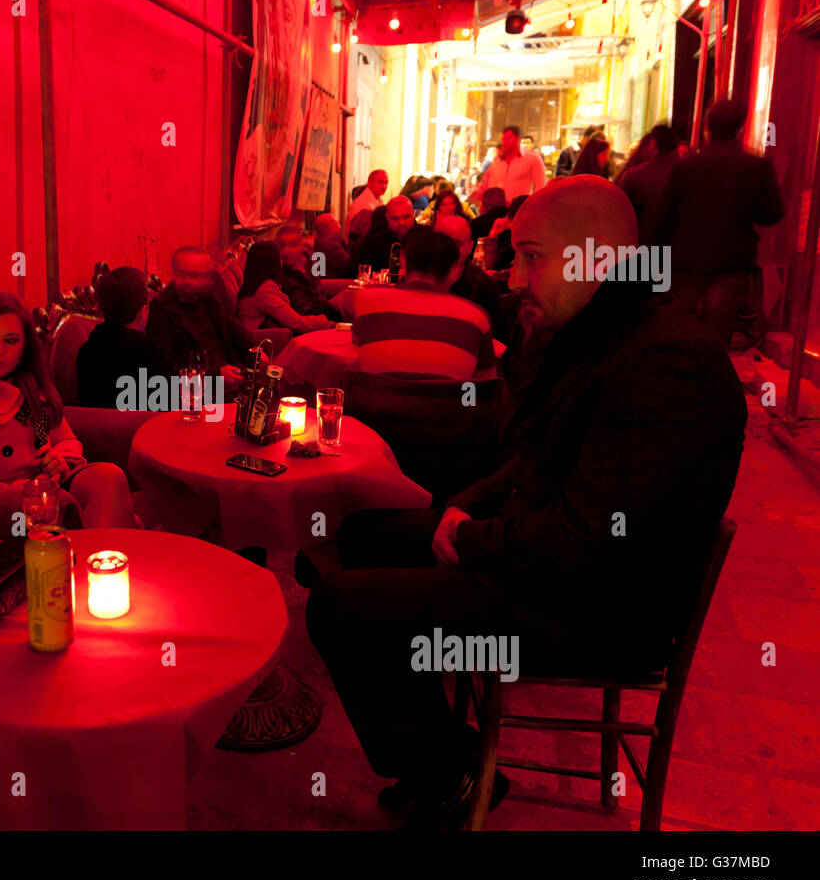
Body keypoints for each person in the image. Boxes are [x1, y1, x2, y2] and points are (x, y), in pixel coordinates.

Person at [307, 175, 747, 829]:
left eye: (532, 257)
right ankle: (439, 748)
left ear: (596, 257)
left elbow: (591, 540)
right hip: (553, 561)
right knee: (359, 536)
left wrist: (471, 540)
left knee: (339, 608)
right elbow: (532, 460)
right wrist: (463, 509)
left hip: (599, 609)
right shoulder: (601, 335)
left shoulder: (668, 364)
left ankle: (449, 772)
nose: (513, 279)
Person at [0, 292, 139, 531]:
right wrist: (21, 491)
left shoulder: (27, 386)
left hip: (49, 487)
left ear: (23, 350)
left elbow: (64, 439)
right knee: (115, 518)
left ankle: (104, 554)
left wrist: (58, 459)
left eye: (10, 341)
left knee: (108, 477)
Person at [653, 99, 785, 346]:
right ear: (740, 128)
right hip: (731, 262)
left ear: (707, 128)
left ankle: (679, 379)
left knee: (680, 333)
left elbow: (665, 217)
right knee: (716, 338)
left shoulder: (685, 168)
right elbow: (772, 213)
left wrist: (652, 258)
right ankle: (709, 381)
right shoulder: (757, 167)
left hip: (686, 263)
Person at [351, 229, 496, 382]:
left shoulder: (365, 301)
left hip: (373, 404)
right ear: (455, 269)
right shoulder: (476, 317)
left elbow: (357, 345)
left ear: (404, 261)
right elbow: (486, 384)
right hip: (449, 405)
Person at [146, 246, 250, 387]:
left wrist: (256, 350)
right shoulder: (162, 310)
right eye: (198, 276)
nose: (205, 280)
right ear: (179, 276)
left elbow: (236, 330)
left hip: (233, 376)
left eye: (206, 275)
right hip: (200, 390)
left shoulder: (211, 298)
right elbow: (167, 370)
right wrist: (216, 376)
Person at [76, 266, 172, 408]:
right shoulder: (146, 351)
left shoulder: (87, 350)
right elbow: (166, 404)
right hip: (140, 428)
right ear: (144, 311)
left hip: (96, 429)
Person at [435, 214, 510, 345]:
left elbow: (494, 342)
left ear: (470, 247)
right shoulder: (418, 278)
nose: (448, 250)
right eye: (442, 242)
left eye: (456, 244)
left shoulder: (485, 287)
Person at [235, 240, 334, 335]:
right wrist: (329, 323)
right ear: (273, 263)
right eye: (279, 257)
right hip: (272, 340)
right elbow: (297, 323)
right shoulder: (264, 291)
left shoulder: (254, 285)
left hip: (275, 335)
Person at [618, 124, 679, 244]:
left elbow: (618, 213)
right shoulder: (689, 173)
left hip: (640, 244)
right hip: (676, 249)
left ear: (653, 145)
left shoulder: (635, 175)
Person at [276, 224, 341, 320]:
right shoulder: (278, 273)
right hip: (307, 322)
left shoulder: (311, 261)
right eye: (282, 245)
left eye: (293, 245)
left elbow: (319, 290)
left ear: (302, 245)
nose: (286, 251)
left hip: (324, 313)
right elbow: (300, 313)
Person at [478, 126, 547, 200]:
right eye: (503, 138)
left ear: (517, 139)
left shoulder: (533, 158)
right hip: (500, 207)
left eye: (508, 138)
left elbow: (540, 187)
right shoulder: (497, 160)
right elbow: (492, 185)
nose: (504, 142)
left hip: (521, 207)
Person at [354, 196, 416, 272]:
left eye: (406, 217)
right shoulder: (373, 243)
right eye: (395, 219)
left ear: (413, 213)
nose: (401, 223)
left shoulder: (425, 238)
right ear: (387, 217)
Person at [311, 213, 355, 280]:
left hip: (322, 285)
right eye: (337, 223)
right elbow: (350, 269)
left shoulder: (317, 244)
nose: (340, 226)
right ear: (331, 227)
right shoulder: (332, 247)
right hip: (334, 287)